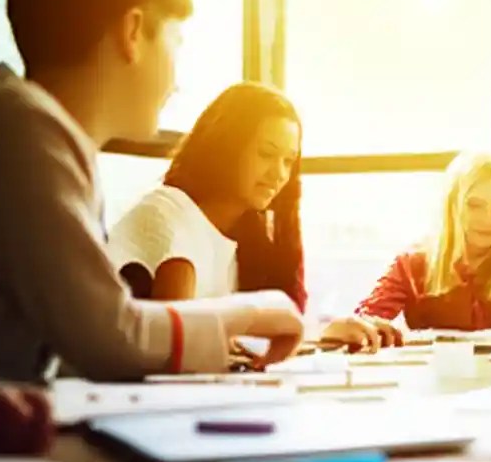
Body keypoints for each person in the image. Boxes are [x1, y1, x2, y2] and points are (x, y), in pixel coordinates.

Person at [0, 0, 304, 383]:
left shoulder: (21, 129)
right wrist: (253, 310)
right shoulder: (19, 130)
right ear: (133, 31)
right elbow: (111, 334)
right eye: (175, 43)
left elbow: (58, 341)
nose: (177, 79)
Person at [108, 83, 396, 352]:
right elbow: (180, 341)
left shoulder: (246, 238)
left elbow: (242, 341)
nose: (280, 174)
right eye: (266, 154)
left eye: (288, 161)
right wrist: (315, 332)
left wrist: (330, 330)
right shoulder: (168, 214)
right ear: (225, 146)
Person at [356, 148, 491, 332]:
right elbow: (362, 325)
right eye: (475, 205)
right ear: (453, 205)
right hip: (433, 370)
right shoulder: (412, 262)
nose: (488, 219)